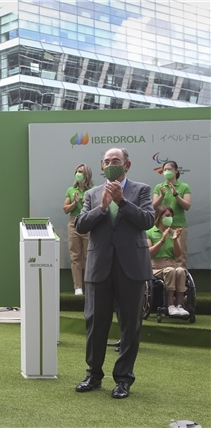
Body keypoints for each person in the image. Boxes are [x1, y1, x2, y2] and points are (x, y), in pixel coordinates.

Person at [74, 147, 154, 399]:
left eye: (116, 161)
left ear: (127, 165)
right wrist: (102, 207)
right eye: (107, 161)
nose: (111, 165)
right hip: (99, 267)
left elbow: (147, 221)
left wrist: (121, 201)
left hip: (132, 267)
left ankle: (123, 379)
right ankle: (93, 374)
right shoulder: (91, 194)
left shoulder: (141, 190)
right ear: (101, 166)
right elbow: (80, 225)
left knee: (130, 324)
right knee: (96, 322)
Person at [147, 205, 189, 317]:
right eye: (167, 215)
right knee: (170, 270)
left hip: (172, 264)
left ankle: (179, 304)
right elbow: (149, 252)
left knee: (180, 270)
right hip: (156, 267)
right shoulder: (150, 232)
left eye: (171, 216)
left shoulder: (173, 233)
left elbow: (178, 254)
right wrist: (162, 240)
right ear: (160, 217)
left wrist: (175, 239)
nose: (170, 218)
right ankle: (170, 305)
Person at [152, 161, 192, 268]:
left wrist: (176, 195)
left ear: (176, 171)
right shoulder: (159, 187)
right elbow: (153, 207)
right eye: (165, 170)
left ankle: (180, 282)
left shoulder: (184, 186)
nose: (166, 172)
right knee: (161, 254)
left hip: (178, 226)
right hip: (161, 226)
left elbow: (187, 206)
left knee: (180, 256)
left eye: (169, 169)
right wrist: (161, 196)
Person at [62, 164, 94, 296]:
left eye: (80, 171)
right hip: (73, 223)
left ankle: (89, 285)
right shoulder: (71, 190)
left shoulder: (94, 190)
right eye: (77, 171)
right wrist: (75, 203)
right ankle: (78, 288)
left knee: (89, 256)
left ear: (87, 174)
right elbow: (65, 209)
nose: (78, 174)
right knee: (75, 257)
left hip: (88, 222)